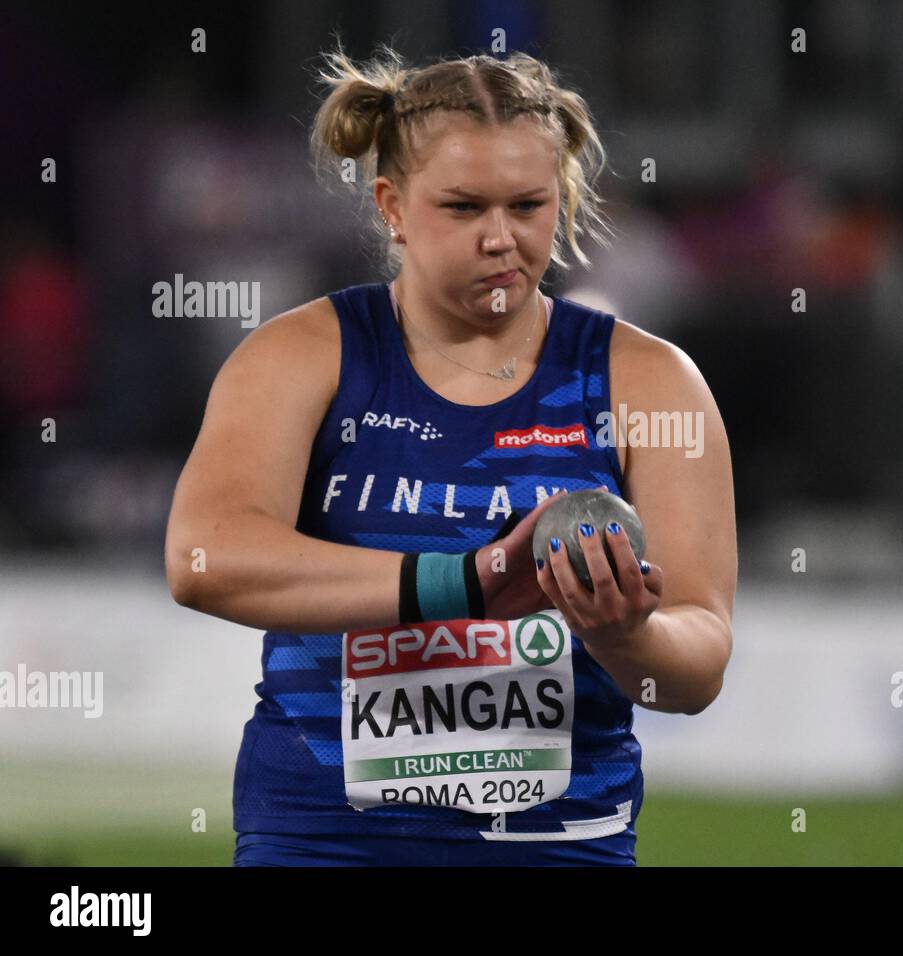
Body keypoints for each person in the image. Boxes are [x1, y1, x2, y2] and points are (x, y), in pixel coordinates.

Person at [164, 45, 737, 866]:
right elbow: (202, 557)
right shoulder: (301, 357)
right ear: (392, 206)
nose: (500, 239)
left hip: (556, 845)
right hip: (322, 843)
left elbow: (697, 670)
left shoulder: (648, 381)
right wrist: (468, 580)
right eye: (463, 208)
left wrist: (623, 633)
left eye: (528, 205)